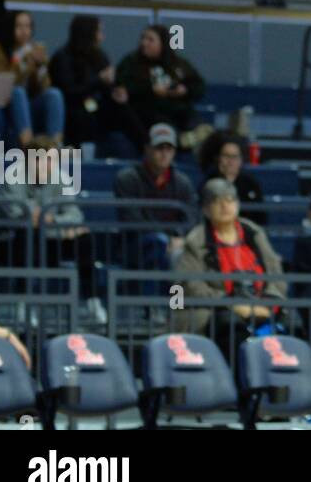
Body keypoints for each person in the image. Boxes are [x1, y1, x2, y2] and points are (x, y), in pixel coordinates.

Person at [0, 137, 105, 325]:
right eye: (41, 159)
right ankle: (24, 305)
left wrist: (53, 221)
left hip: (47, 240)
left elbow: (75, 215)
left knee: (84, 239)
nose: (47, 164)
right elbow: (19, 217)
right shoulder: (12, 178)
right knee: (28, 236)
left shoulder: (60, 178)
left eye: (51, 159)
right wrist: (60, 227)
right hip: (8, 243)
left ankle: (93, 303)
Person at [174, 178, 284, 354]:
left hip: (261, 304)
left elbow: (275, 272)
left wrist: (269, 302)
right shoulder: (196, 240)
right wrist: (230, 303)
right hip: (219, 308)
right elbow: (189, 284)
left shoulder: (254, 233)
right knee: (231, 324)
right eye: (217, 201)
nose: (225, 206)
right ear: (206, 209)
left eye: (230, 199)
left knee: (295, 322)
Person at [49, 14, 144, 156]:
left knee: (123, 107)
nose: (101, 37)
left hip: (96, 105)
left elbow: (107, 87)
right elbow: (69, 91)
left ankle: (145, 146)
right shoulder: (62, 57)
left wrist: (116, 90)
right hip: (74, 107)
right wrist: (99, 80)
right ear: (88, 34)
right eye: (99, 32)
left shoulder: (99, 55)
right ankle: (86, 157)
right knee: (85, 115)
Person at [112, 122, 197, 270]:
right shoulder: (127, 178)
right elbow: (132, 220)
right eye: (159, 148)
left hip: (175, 243)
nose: (164, 153)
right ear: (147, 149)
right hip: (135, 245)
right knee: (159, 243)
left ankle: (179, 293)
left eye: (169, 148)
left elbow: (192, 217)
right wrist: (168, 237)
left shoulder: (182, 182)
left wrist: (178, 236)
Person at [116, 24, 207, 146]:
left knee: (200, 128)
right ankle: (179, 141)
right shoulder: (131, 62)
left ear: (162, 43)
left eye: (150, 40)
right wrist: (151, 90)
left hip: (179, 111)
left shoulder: (177, 63)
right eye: (143, 38)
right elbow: (123, 87)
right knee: (162, 127)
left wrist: (184, 90)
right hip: (147, 112)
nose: (144, 43)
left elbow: (199, 85)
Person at [0, 10, 65, 146]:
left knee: (54, 94)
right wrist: (22, 63)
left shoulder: (34, 49)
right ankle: (28, 146)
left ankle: (54, 146)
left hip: (30, 106)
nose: (24, 31)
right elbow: (3, 83)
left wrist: (40, 68)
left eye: (28, 26)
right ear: (10, 27)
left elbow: (44, 88)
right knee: (18, 92)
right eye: (19, 26)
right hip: (6, 105)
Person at [196, 130, 265, 225]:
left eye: (235, 156)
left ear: (241, 160)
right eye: (226, 156)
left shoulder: (251, 184)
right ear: (217, 158)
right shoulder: (207, 185)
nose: (231, 161)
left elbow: (261, 219)